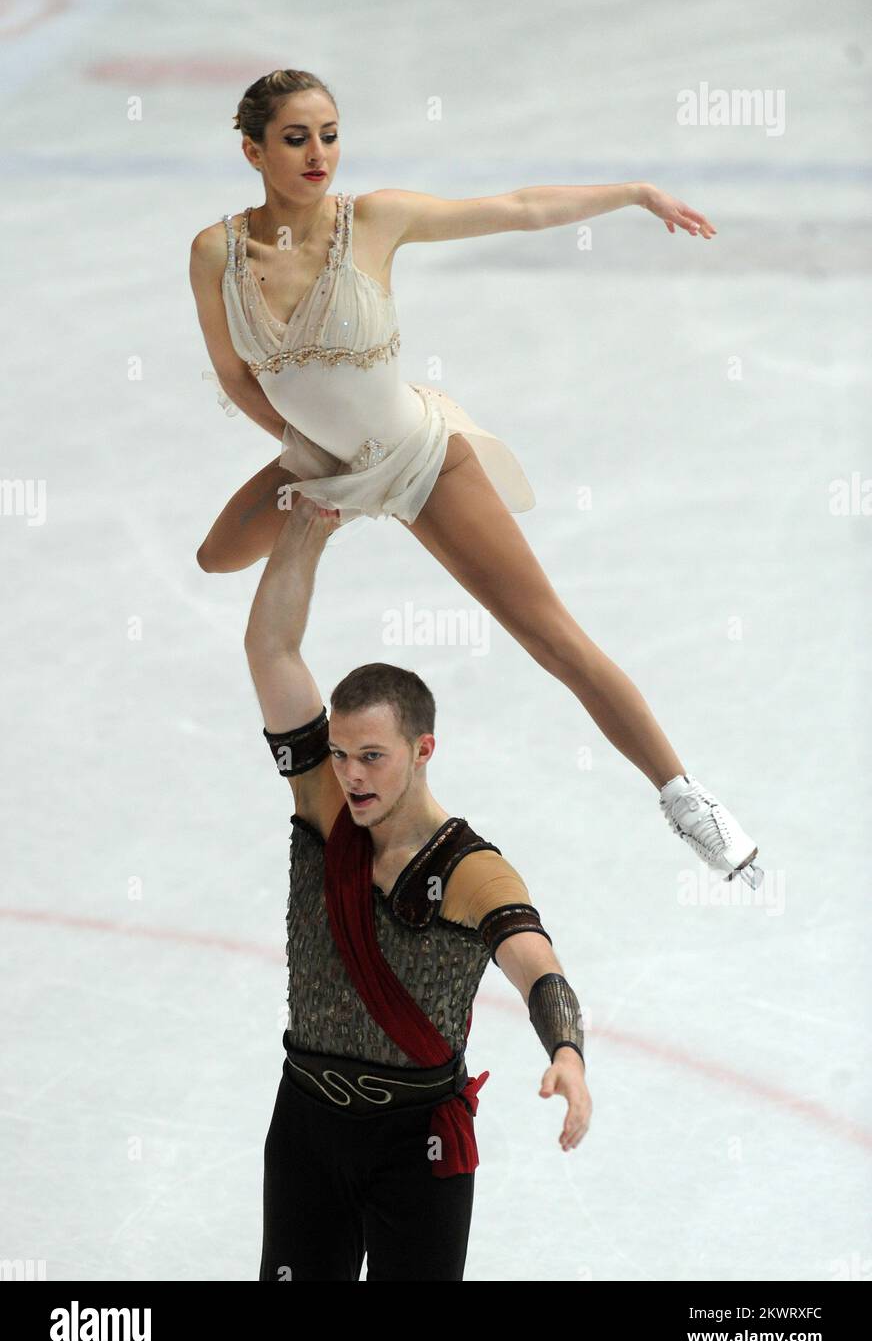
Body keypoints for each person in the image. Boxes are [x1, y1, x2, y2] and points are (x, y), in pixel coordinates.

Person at [189, 67, 764, 889]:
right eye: (294, 138)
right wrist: (311, 457)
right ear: (251, 149)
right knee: (217, 558)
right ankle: (323, 503)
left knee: (548, 635)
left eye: (329, 134)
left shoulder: (376, 220)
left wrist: (635, 193)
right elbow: (237, 376)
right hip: (324, 463)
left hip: (420, 459)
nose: (319, 153)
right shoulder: (215, 252)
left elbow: (520, 209)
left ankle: (685, 797)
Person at [246, 494, 591, 1280]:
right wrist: (306, 527)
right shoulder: (326, 810)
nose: (350, 774)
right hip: (306, 1125)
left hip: (418, 1144)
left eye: (372, 756)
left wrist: (566, 1051)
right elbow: (272, 649)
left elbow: (538, 966)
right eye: (338, 753)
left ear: (423, 748)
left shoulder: (471, 869)